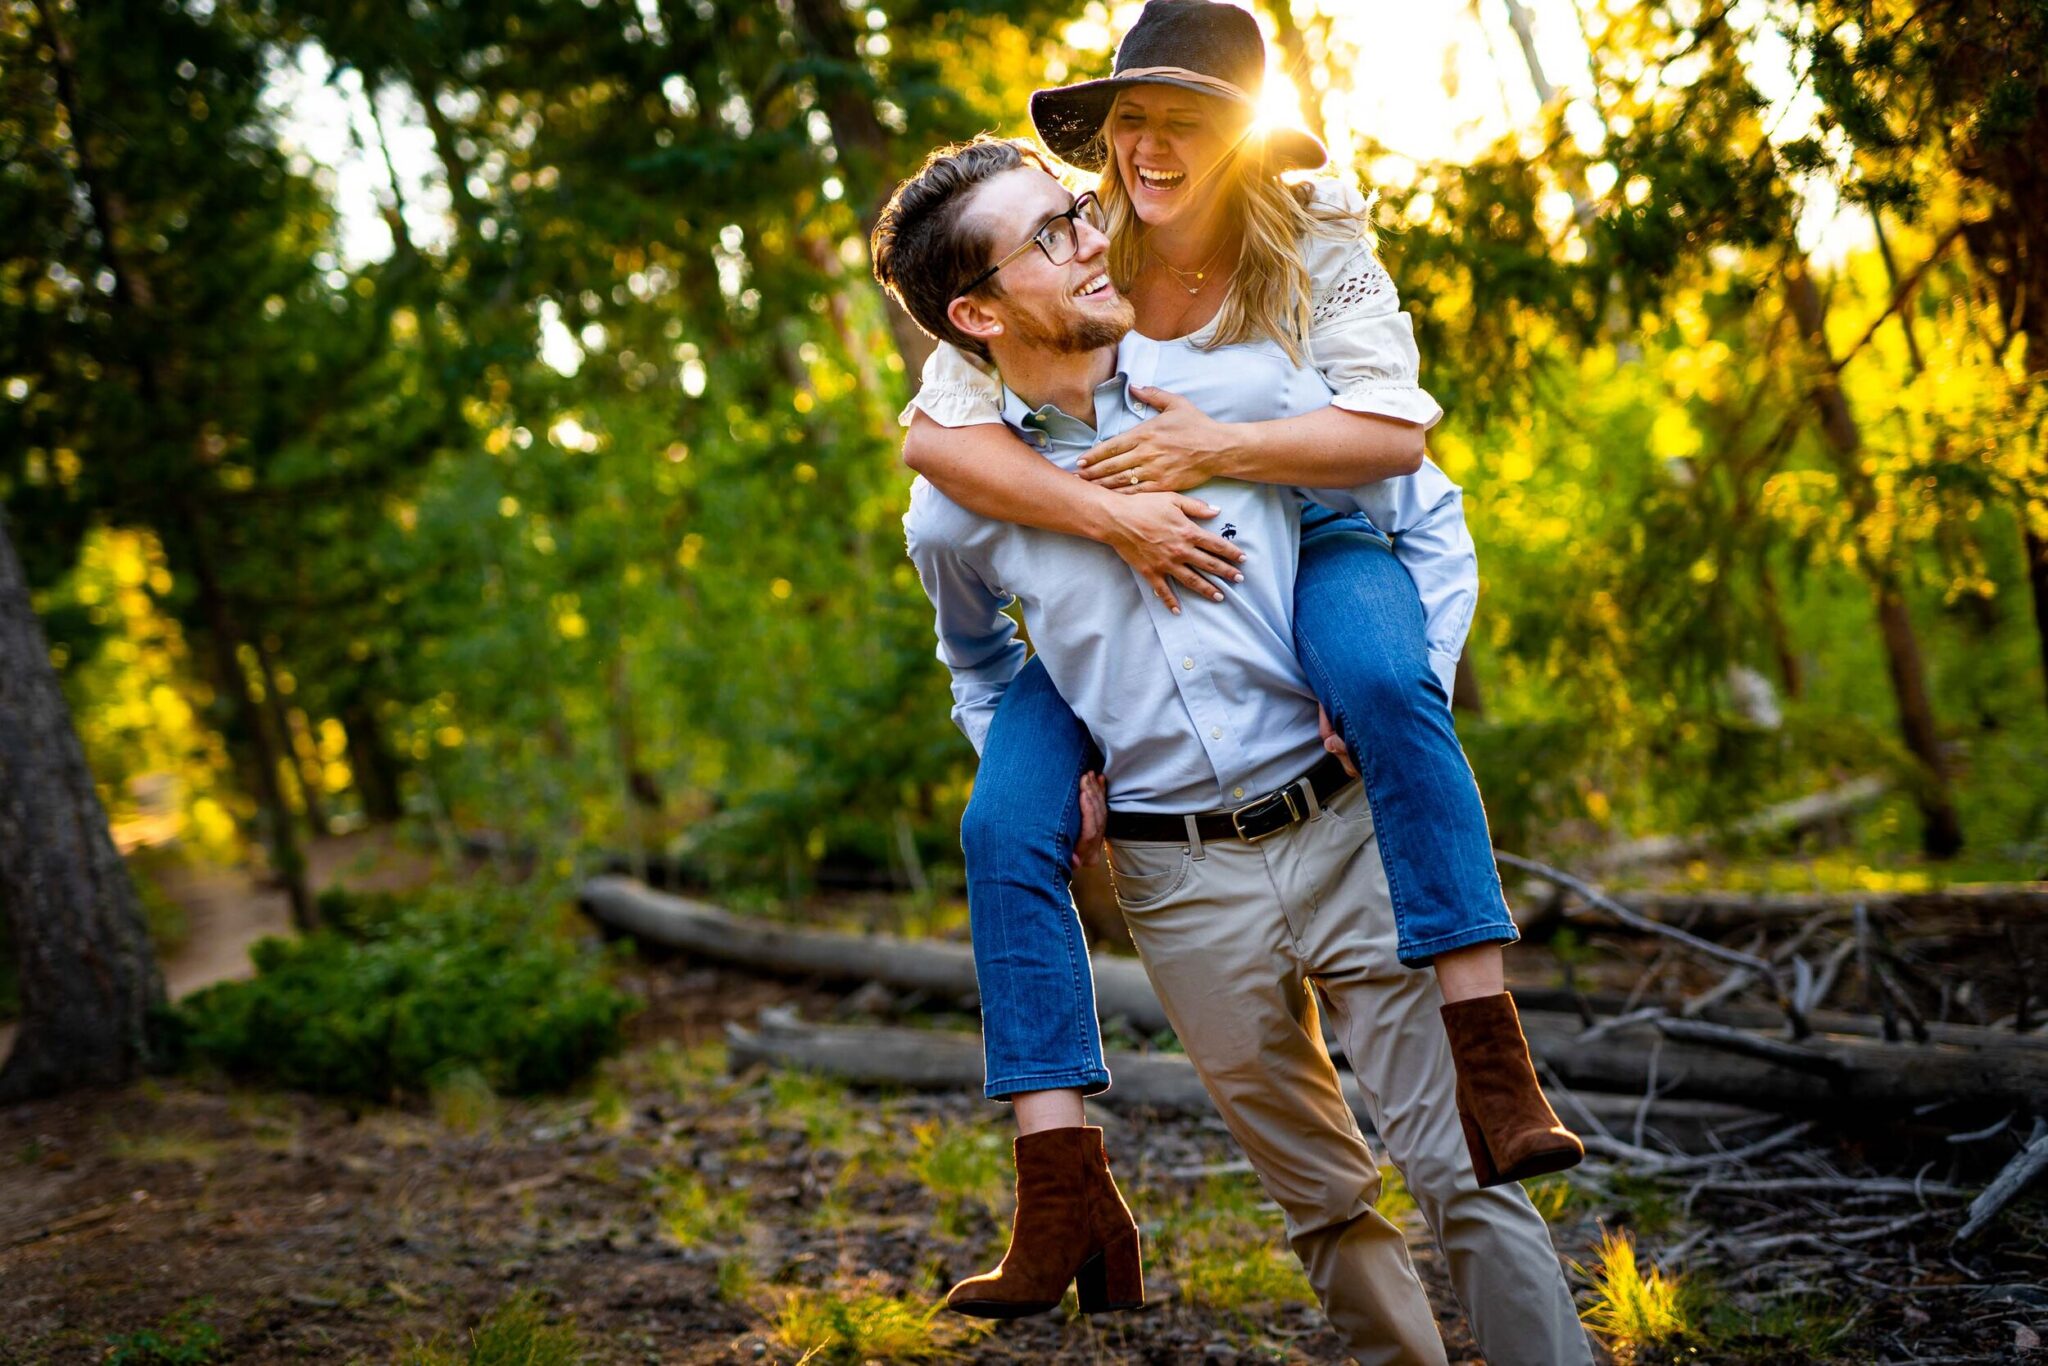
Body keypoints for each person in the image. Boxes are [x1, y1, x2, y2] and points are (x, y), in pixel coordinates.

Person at [877, 0, 1580, 1323]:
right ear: (978, 308)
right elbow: (967, 625)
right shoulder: (971, 469)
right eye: (1123, 131)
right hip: (1177, 870)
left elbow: (1409, 486)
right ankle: (1068, 1182)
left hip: (1340, 820)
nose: (1122, 186)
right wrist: (1035, 762)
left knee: (1467, 1173)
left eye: (1188, 122)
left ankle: (1508, 1123)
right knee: (1324, 1199)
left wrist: (1391, 681)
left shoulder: (1232, 356)